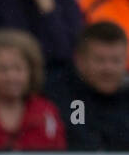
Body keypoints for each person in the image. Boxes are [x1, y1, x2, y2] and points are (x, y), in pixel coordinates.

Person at [46, 20, 129, 148]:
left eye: (116, 60)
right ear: (80, 60)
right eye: (99, 60)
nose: (108, 69)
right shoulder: (56, 94)